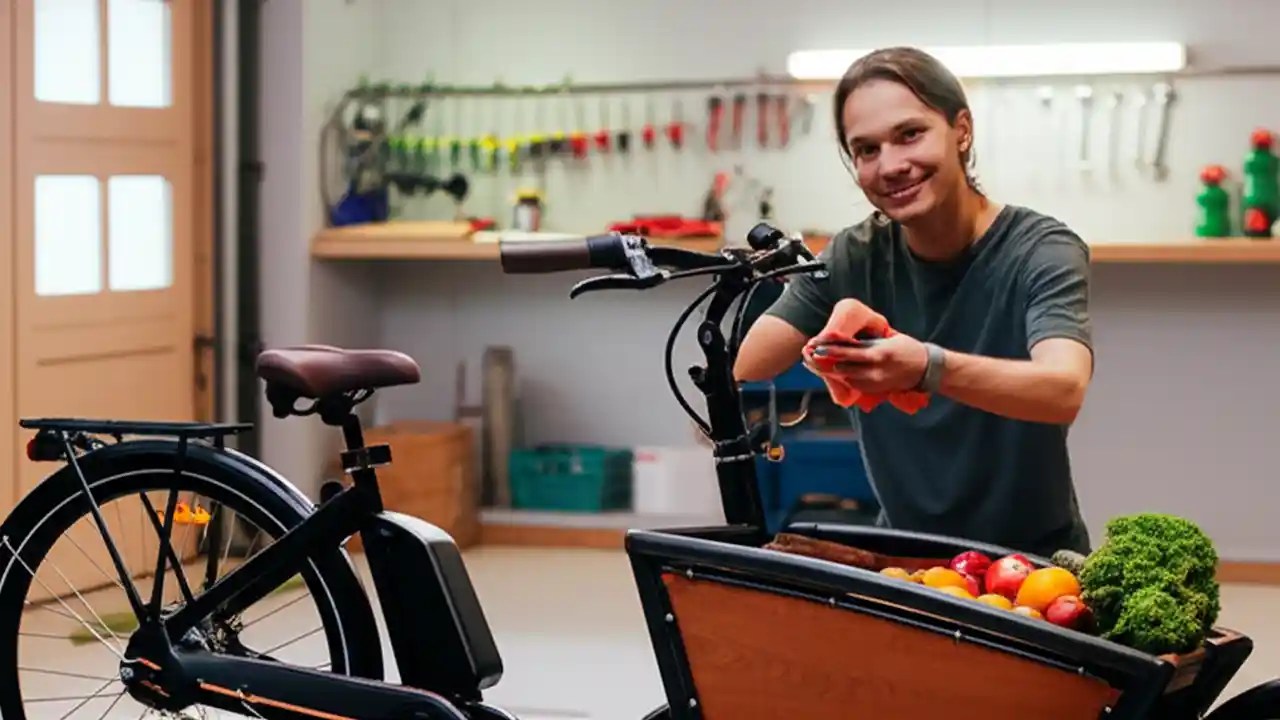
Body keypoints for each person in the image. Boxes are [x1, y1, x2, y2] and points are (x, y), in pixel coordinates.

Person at [734, 46, 1095, 558]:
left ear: (961, 131)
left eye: (910, 135)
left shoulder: (1041, 250)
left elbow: (1063, 389)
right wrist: (828, 345)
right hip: (906, 557)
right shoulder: (853, 255)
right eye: (866, 150)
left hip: (1031, 565)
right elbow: (750, 365)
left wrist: (924, 367)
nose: (891, 165)